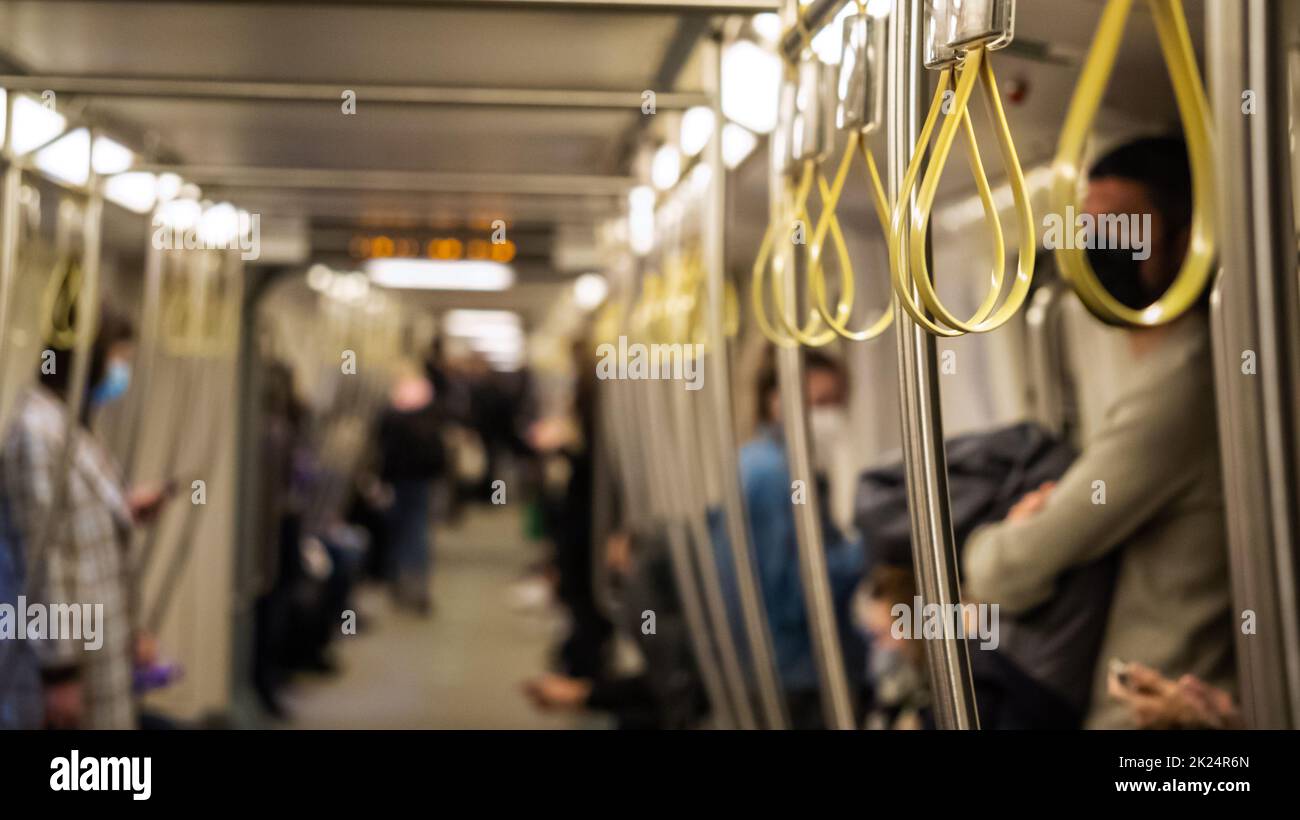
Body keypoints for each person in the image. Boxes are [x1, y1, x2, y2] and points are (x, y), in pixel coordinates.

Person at [961, 137, 1234, 729]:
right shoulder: (1167, 375)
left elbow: (1012, 570)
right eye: (1089, 232)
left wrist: (996, 540)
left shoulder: (1180, 392)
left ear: (1187, 241)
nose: (1097, 251)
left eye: (1122, 231)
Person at [0, 305, 167, 729]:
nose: (120, 373)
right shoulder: (36, 434)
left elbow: (73, 526)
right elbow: (44, 563)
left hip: (97, 647)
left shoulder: (66, 426)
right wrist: (59, 672)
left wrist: (122, 509)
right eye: (118, 359)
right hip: (64, 663)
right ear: (87, 358)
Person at [715, 350, 868, 729]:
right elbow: (798, 593)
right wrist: (868, 550)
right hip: (798, 672)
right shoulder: (775, 475)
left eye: (836, 404)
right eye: (817, 405)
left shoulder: (760, 463)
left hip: (778, 666)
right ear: (776, 401)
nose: (828, 417)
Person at [376, 360, 446, 613]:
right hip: (423, 477)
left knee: (400, 529)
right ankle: (419, 586)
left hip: (399, 479)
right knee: (417, 530)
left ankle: (400, 583)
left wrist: (382, 478)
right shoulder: (430, 408)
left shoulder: (393, 411)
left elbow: (384, 448)